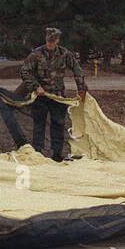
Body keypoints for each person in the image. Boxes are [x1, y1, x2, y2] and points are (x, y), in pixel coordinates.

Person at [19, 27, 87, 159]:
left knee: (58, 124)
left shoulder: (64, 53)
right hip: (41, 96)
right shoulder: (36, 54)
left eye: (52, 41)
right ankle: (37, 154)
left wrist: (81, 88)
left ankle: (57, 154)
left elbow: (77, 69)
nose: (50, 43)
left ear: (57, 41)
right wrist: (35, 86)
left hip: (57, 96)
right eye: (48, 40)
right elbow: (24, 71)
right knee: (39, 125)